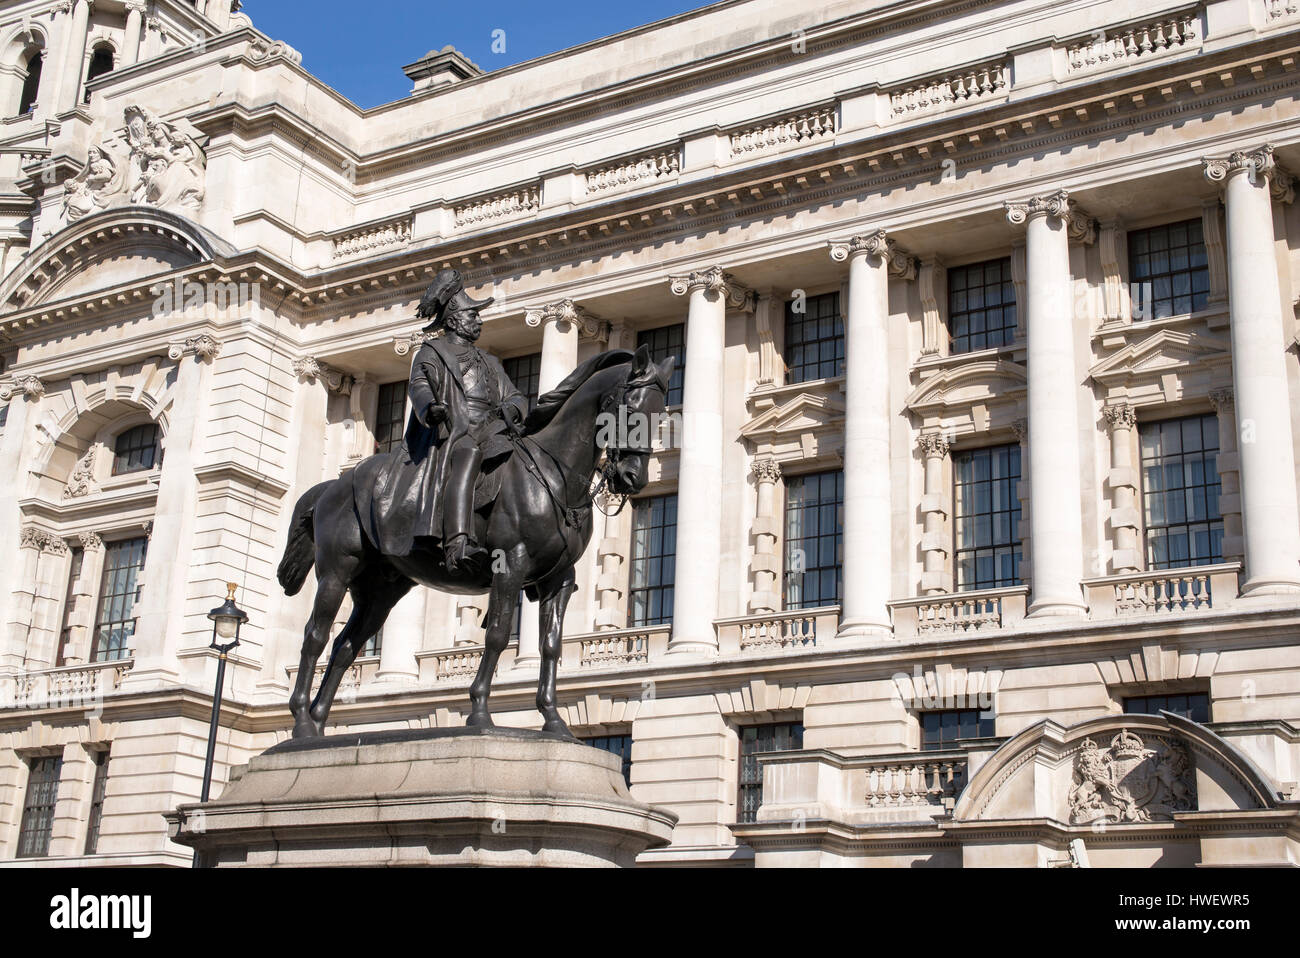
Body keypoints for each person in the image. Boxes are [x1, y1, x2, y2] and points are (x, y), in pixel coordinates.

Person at [401, 269, 527, 572]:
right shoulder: (433, 351)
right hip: (455, 427)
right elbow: (419, 384)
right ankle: (457, 541)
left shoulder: (490, 361)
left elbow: (514, 395)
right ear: (455, 319)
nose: (480, 321)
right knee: (469, 451)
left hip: (493, 426)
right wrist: (430, 408)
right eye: (474, 316)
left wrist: (512, 410)